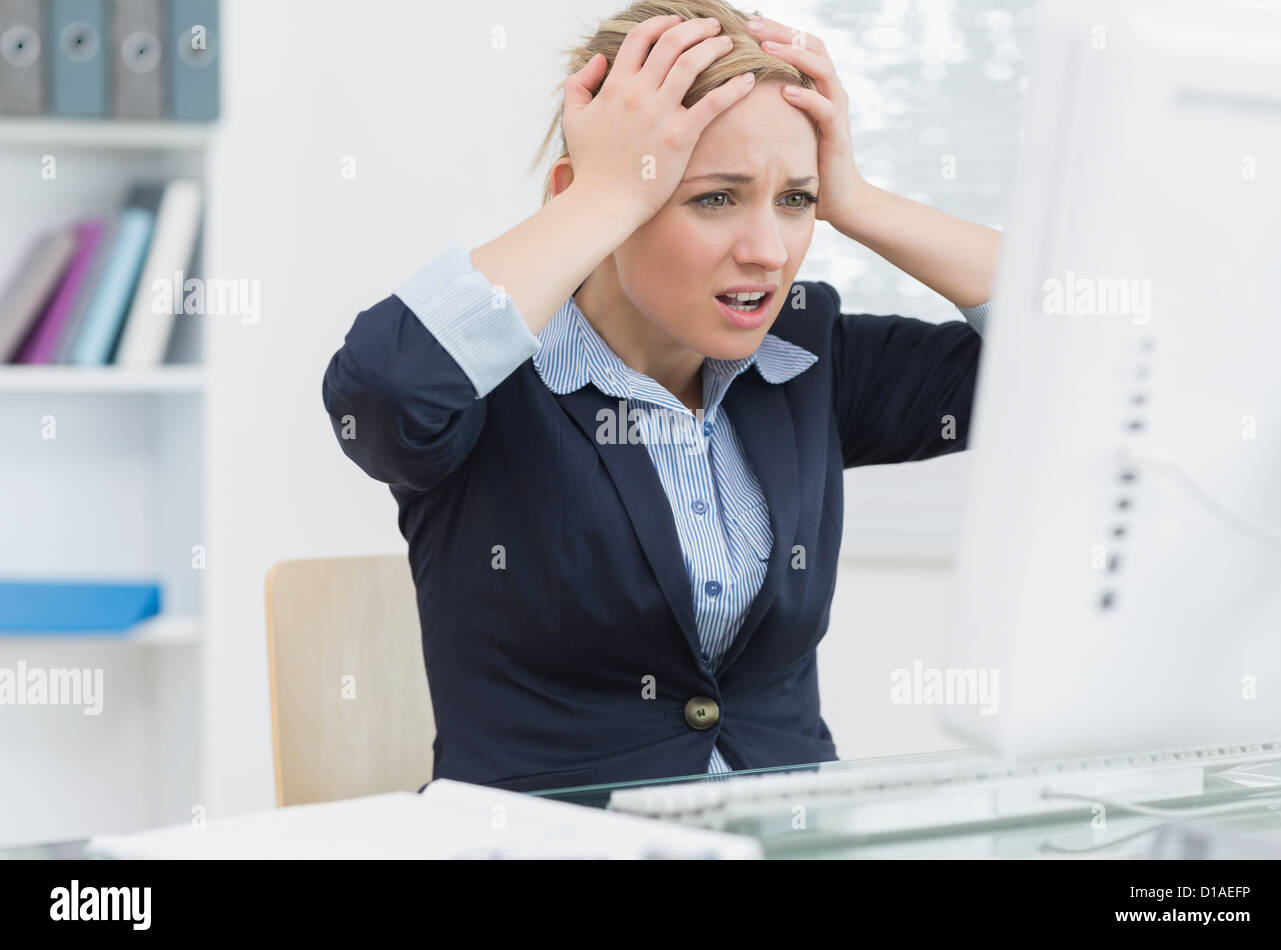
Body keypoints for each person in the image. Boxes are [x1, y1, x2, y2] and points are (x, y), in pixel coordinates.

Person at [322, 0, 1000, 793]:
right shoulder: (488, 377)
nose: (768, 251)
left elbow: (1071, 348)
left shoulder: (809, 352)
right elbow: (379, 393)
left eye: (794, 201)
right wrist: (603, 200)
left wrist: (853, 197)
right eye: (715, 197)